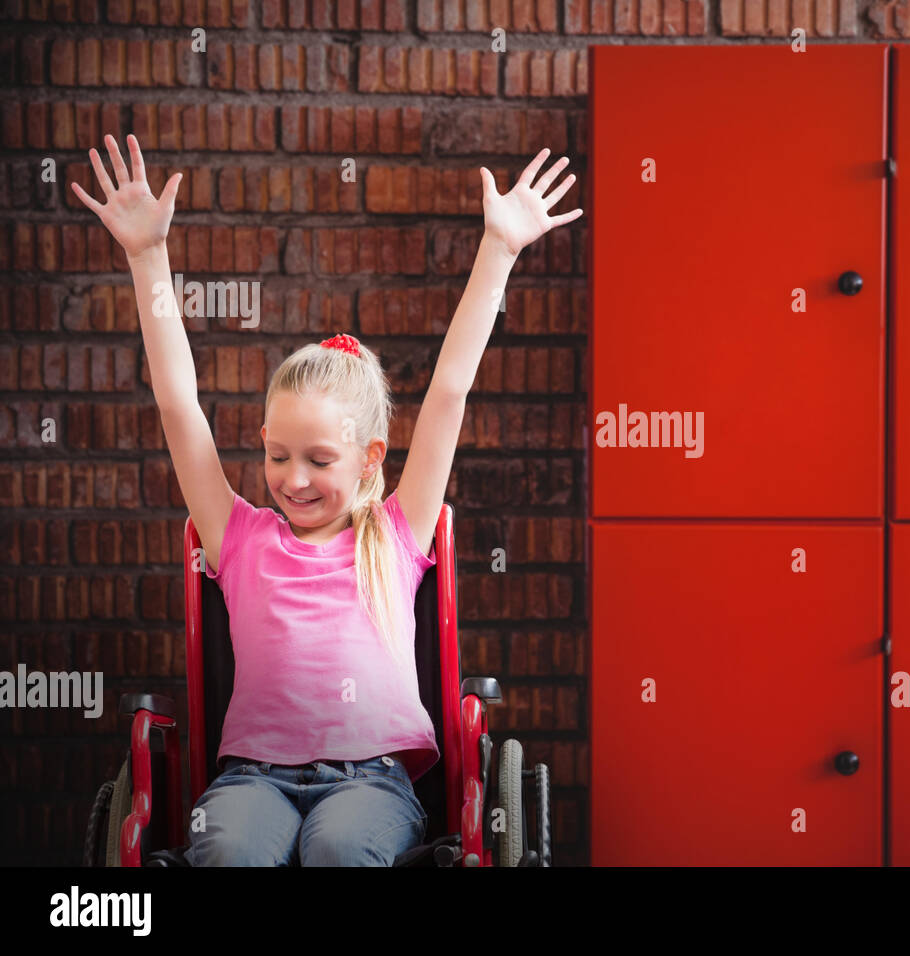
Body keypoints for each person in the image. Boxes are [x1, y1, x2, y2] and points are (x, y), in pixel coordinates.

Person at [72, 133, 582, 865]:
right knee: (230, 853)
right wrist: (147, 257)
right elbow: (179, 405)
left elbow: (448, 391)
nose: (294, 479)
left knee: (342, 852)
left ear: (369, 456)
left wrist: (499, 249)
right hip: (252, 781)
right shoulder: (241, 538)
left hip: (368, 784)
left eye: (318, 459)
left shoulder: (395, 536)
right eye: (278, 455)